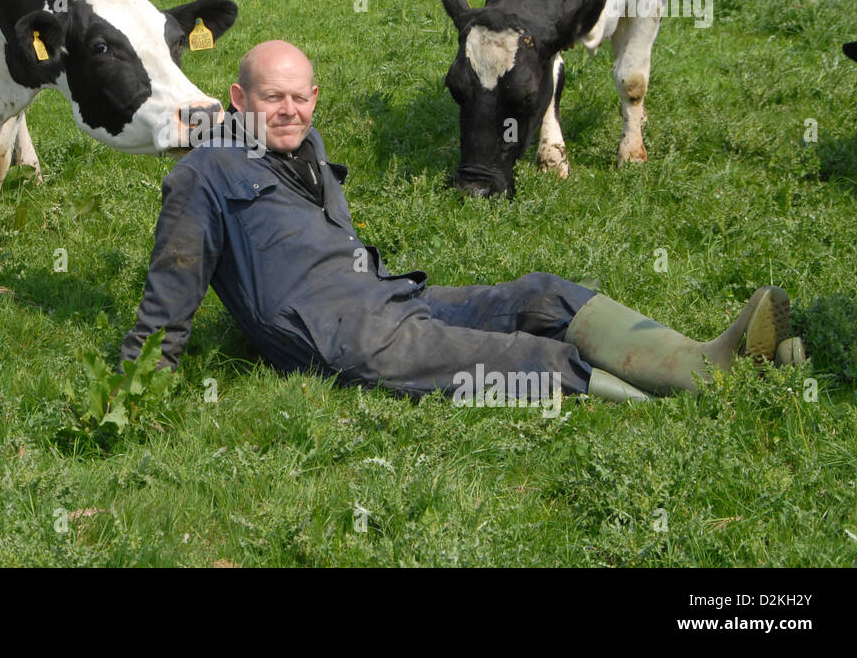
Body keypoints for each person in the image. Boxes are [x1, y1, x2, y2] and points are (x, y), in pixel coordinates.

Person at [119, 40, 799, 402]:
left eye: (301, 96)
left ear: (316, 98)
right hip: (343, 341)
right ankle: (703, 383)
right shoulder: (203, 173)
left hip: (388, 298)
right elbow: (170, 294)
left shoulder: (309, 146)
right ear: (239, 98)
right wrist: (138, 381)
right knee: (522, 360)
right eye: (273, 97)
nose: (290, 109)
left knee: (542, 294)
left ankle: (703, 355)